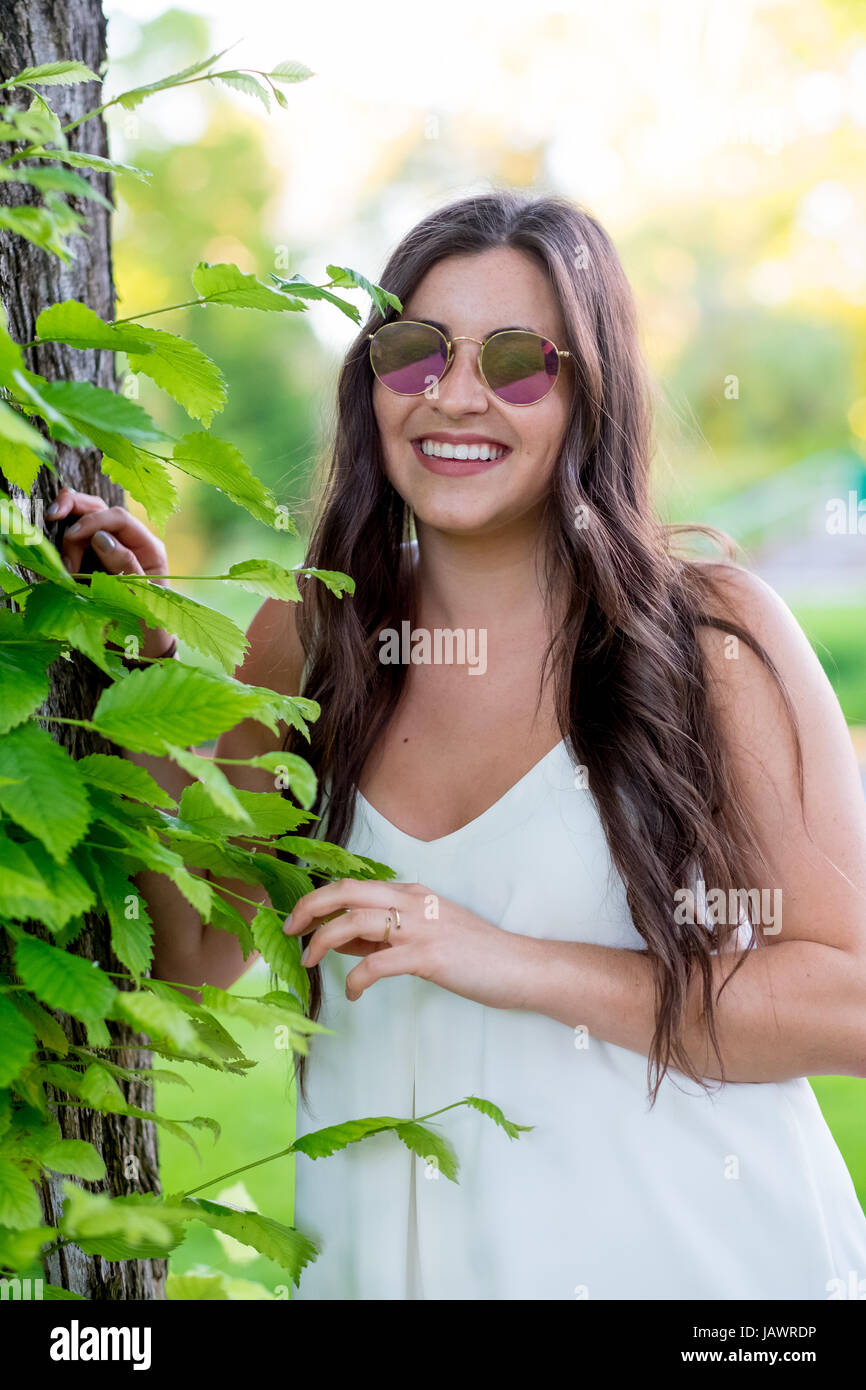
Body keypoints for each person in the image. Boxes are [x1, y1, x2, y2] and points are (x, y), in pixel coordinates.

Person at [50, 190, 866, 1301]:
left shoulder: (708, 636)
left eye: (519, 358)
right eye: (414, 351)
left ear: (589, 393)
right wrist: (148, 677)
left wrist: (501, 958)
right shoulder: (298, 643)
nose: (456, 395)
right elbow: (196, 955)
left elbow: (845, 1000)